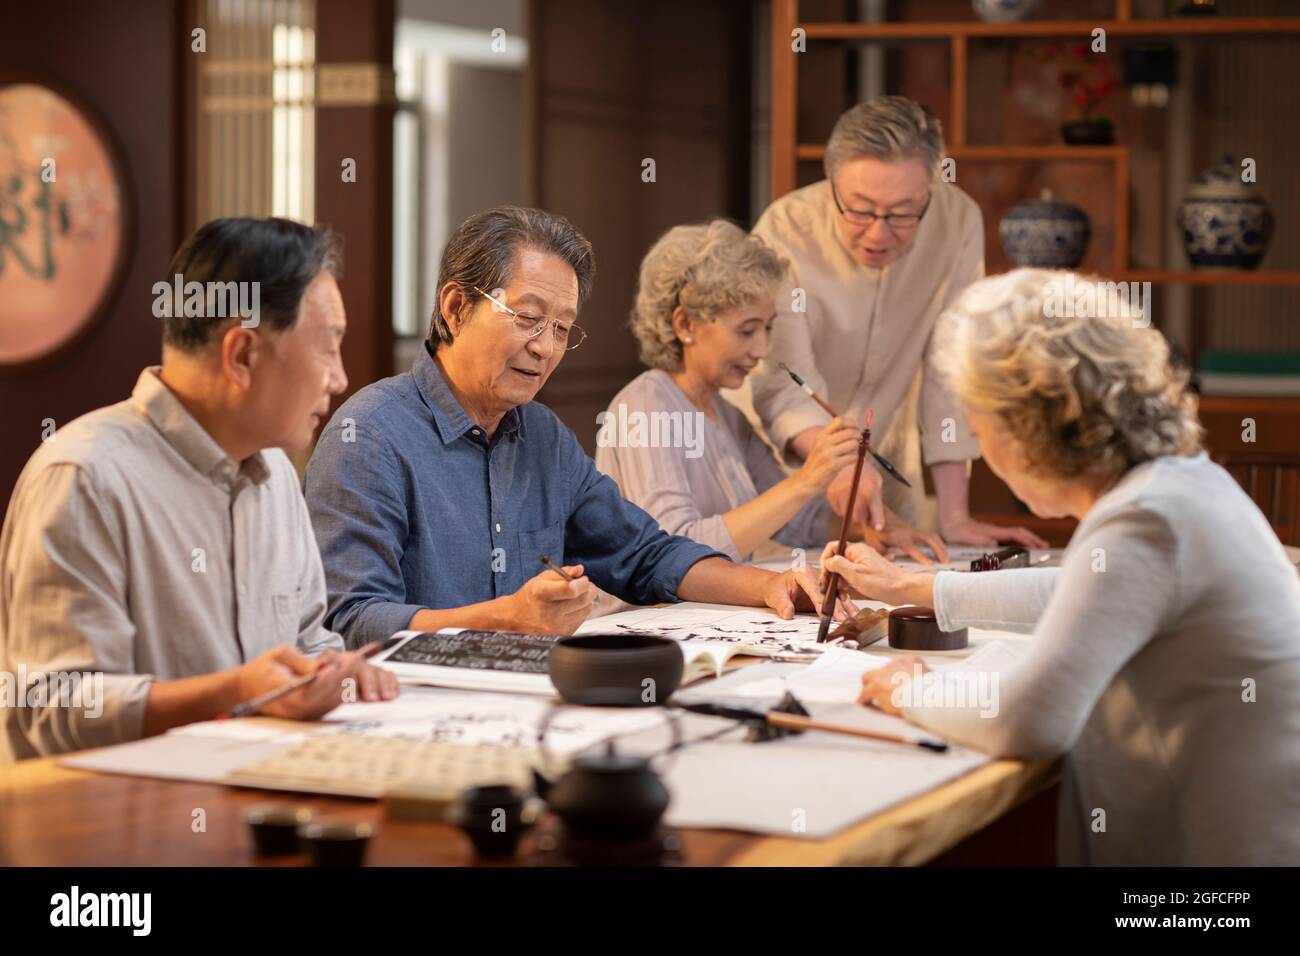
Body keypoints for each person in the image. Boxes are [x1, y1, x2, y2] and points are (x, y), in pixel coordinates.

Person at [822, 269, 1300, 865]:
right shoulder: (1178, 486)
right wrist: (913, 587)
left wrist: (912, 689)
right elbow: (1084, 587)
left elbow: (1031, 717)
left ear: (1031, 423)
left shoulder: (1148, 515)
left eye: (979, 426)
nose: (983, 449)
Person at [305, 206, 834, 649]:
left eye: (561, 328)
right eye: (527, 317)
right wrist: (507, 617)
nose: (545, 347)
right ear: (457, 307)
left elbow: (643, 553)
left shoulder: (541, 436)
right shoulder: (371, 435)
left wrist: (772, 585)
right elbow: (351, 620)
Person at [0, 217, 397, 762]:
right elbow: (49, 707)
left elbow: (310, 642)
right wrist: (232, 694)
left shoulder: (276, 473)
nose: (340, 378)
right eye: (328, 348)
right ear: (242, 354)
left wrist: (337, 673)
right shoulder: (84, 477)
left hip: (260, 798)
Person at [741, 95, 1045, 550]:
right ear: (831, 185)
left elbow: (949, 370)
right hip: (779, 471)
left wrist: (955, 517)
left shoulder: (958, 221)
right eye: (860, 209)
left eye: (904, 213)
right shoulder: (784, 230)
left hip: (882, 464)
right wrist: (838, 465)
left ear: (930, 190)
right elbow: (784, 383)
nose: (879, 233)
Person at [597, 219, 947, 564]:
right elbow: (672, 550)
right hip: (645, 619)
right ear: (685, 324)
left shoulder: (728, 416)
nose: (762, 349)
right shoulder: (644, 408)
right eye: (747, 331)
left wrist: (879, 527)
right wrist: (808, 480)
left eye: (768, 328)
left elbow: (800, 523)